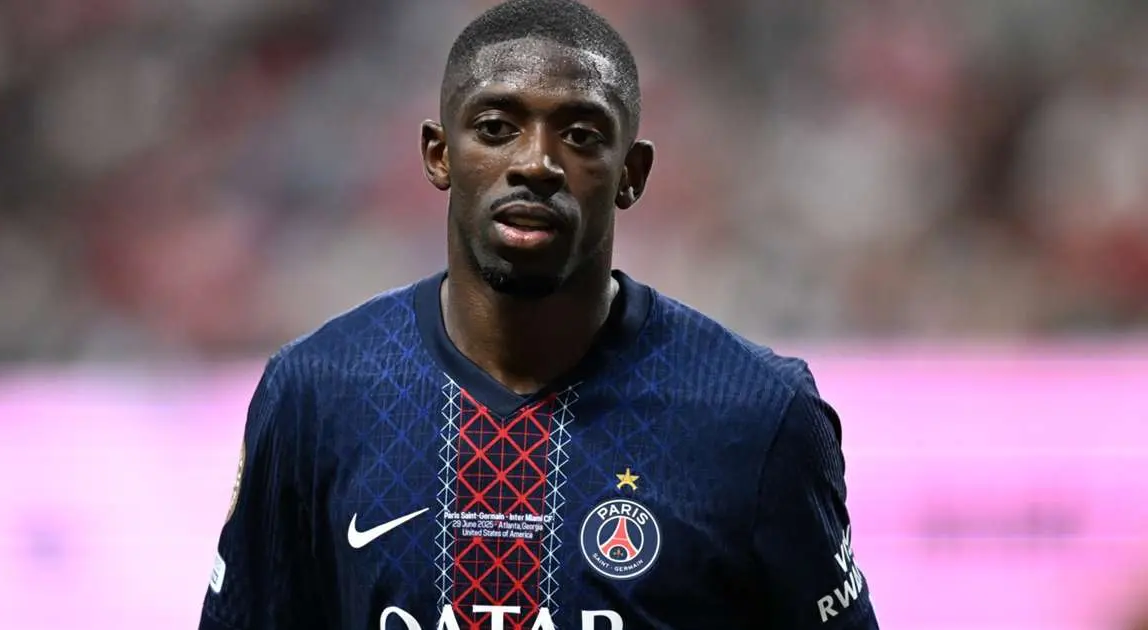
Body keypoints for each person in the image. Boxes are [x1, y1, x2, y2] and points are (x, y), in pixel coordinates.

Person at [197, 0, 880, 628]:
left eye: (580, 135)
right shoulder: (318, 394)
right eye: (496, 128)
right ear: (439, 155)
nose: (537, 163)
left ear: (632, 173)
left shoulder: (757, 415)